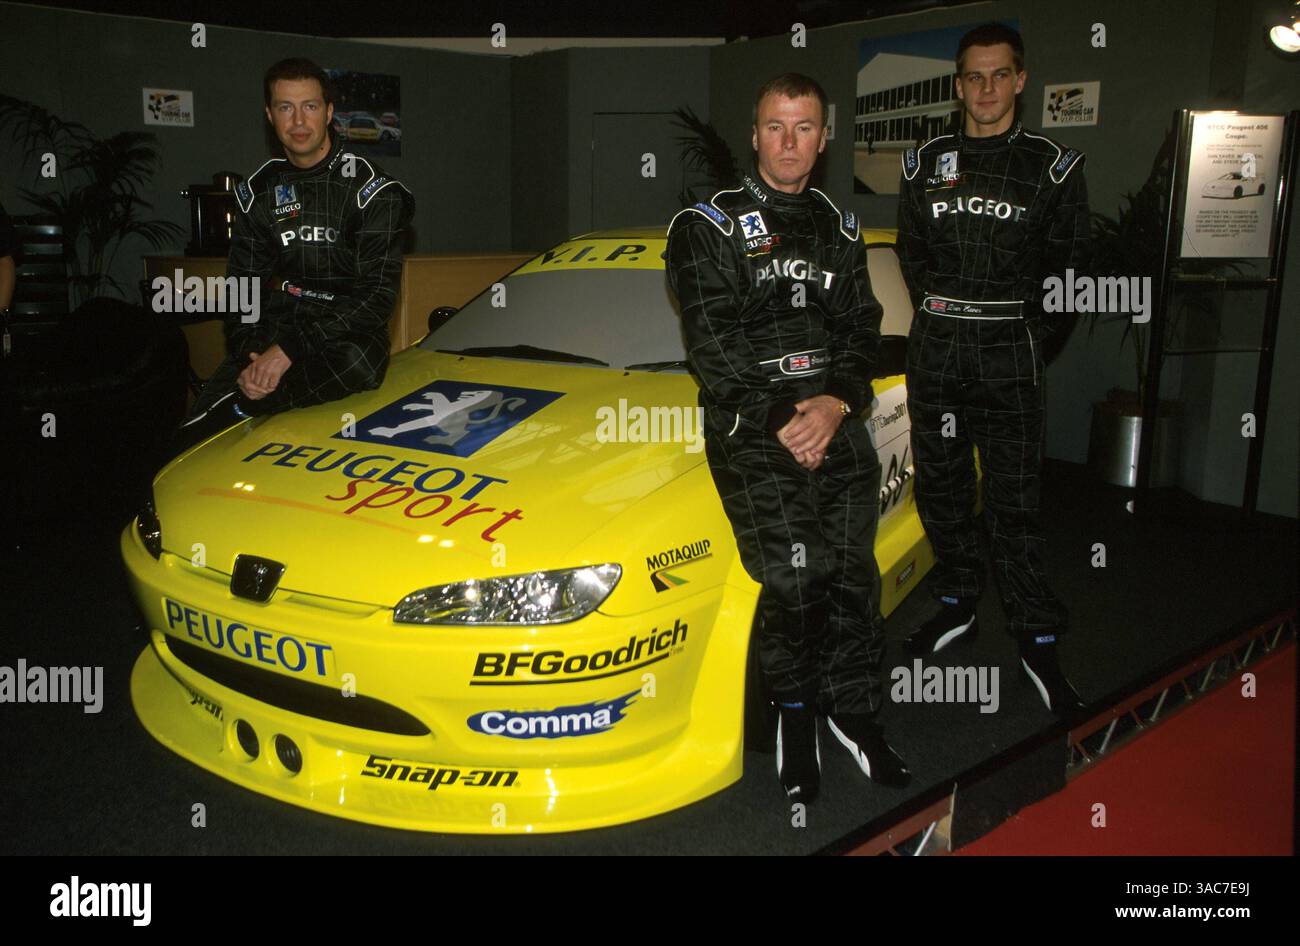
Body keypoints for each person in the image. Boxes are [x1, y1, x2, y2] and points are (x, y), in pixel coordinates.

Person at [667, 73, 909, 802]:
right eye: (776, 126)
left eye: (805, 127)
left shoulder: (838, 226)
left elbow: (860, 328)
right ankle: (794, 718)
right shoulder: (706, 224)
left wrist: (836, 402)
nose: (790, 142)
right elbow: (714, 341)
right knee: (797, 581)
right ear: (754, 133)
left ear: (824, 138)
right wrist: (785, 419)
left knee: (852, 577)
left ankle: (856, 714)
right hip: (752, 430)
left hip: (833, 421)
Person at [895, 23, 1090, 715]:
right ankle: (957, 602)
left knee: (1015, 501)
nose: (985, 89)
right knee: (942, 491)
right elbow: (912, 258)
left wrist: (1031, 342)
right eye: (973, 77)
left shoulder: (1053, 165)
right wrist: (945, 319)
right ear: (957, 85)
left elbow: (1067, 274)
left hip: (1011, 352)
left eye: (999, 75)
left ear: (1021, 80)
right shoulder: (924, 163)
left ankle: (1036, 633)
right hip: (938, 347)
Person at [172, 57, 414, 453]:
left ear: (330, 112)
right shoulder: (259, 191)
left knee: (360, 363)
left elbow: (375, 299)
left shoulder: (374, 190)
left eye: (310, 106)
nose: (299, 121)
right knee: (187, 441)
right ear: (270, 115)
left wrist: (288, 353)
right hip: (273, 333)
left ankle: (247, 404)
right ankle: (240, 403)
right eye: (286, 107)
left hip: (341, 338)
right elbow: (242, 289)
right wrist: (253, 354)